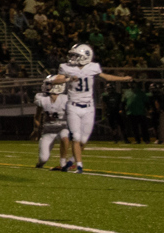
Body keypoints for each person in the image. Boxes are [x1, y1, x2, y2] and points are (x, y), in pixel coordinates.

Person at [46, 43, 131, 174]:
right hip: (73, 106)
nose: (72, 58)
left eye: (75, 55)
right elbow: (54, 80)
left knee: (84, 140)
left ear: (85, 56)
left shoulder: (93, 67)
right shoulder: (66, 67)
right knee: (76, 138)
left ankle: (70, 162)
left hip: (89, 107)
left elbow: (106, 77)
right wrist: (68, 79)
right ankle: (79, 166)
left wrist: (123, 78)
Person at [33, 79, 70, 169]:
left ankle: (63, 163)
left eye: (50, 84)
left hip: (62, 128)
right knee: (43, 159)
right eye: (47, 84)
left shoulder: (65, 99)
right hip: (48, 131)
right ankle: (39, 164)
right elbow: (37, 116)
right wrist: (36, 130)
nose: (48, 86)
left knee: (64, 137)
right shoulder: (42, 98)